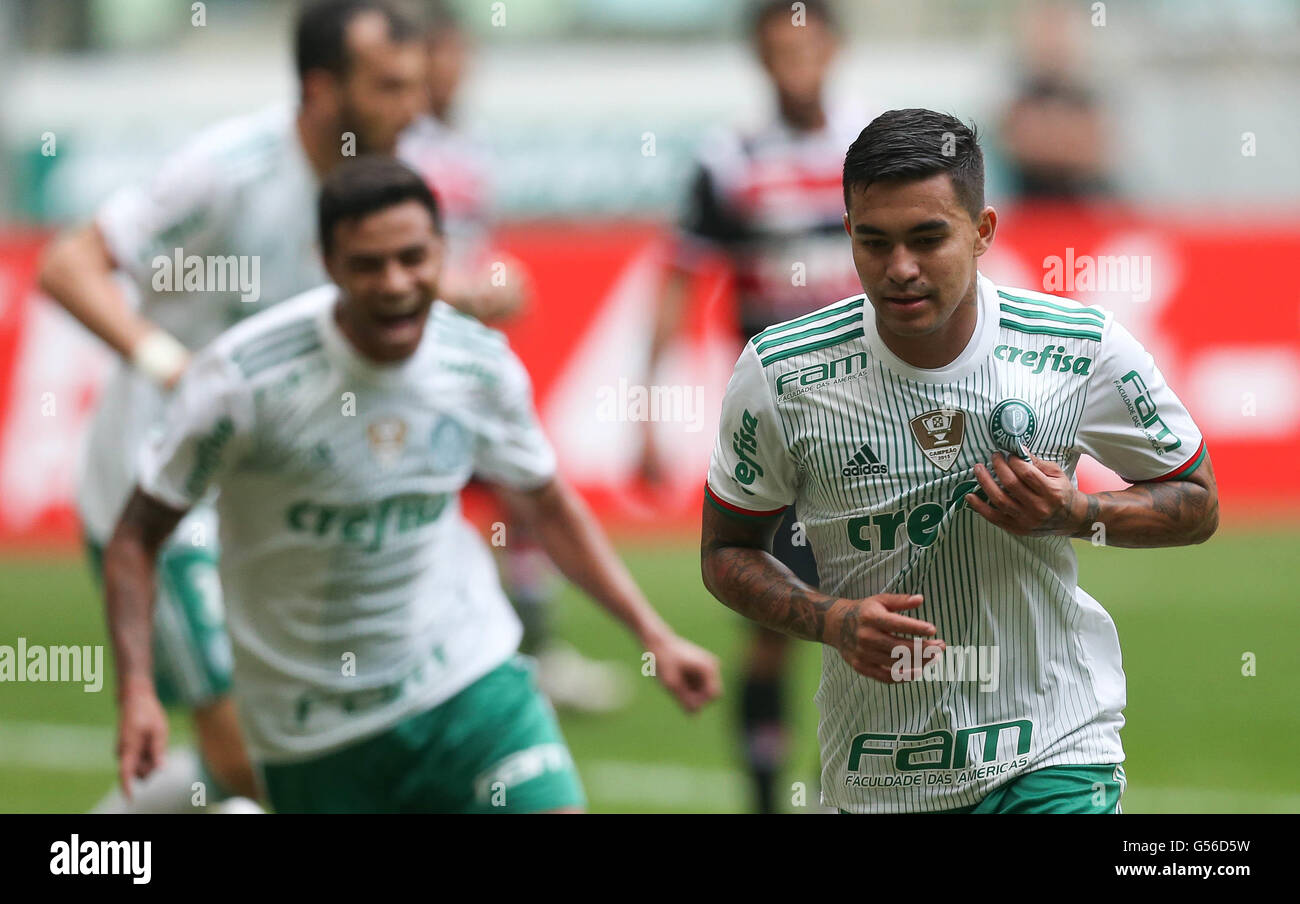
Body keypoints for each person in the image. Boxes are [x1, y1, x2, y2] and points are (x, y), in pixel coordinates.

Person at [101, 155, 722, 814]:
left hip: (470, 685)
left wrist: (653, 634)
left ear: (441, 254)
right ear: (326, 263)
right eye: (367, 265)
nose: (396, 283)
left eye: (413, 258)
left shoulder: (475, 365)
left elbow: (546, 503)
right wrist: (137, 689)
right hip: (312, 735)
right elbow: (136, 538)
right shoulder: (241, 382)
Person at [700, 108, 1218, 814]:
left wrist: (1081, 512)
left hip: (1053, 748)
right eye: (874, 242)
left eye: (927, 238)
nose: (901, 268)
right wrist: (831, 620)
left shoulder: (1077, 349)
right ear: (848, 234)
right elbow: (727, 550)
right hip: (875, 775)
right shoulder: (782, 375)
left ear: (983, 232)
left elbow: (1195, 498)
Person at [38, 0, 430, 812]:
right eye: (391, 87)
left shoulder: (367, 197)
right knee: (254, 764)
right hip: (161, 488)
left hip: (266, 498)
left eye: (416, 86)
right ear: (324, 91)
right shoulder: (228, 168)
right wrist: (172, 367)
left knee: (265, 761)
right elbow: (68, 267)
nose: (413, 107)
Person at [640, 0, 863, 812]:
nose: (794, 62)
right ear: (760, 58)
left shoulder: (872, 145)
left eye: (807, 44)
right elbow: (679, 278)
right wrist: (647, 407)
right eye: (779, 49)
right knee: (773, 622)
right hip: (784, 422)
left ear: (833, 48)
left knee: (908, 608)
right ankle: (767, 798)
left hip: (876, 410)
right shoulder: (728, 157)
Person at [398, 2, 629, 712]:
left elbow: (467, 247)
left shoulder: (468, 148)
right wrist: (461, 294)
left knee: (522, 502)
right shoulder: (391, 149)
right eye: (441, 55)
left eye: (462, 55)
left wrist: (491, 291)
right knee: (417, 504)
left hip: (468, 356)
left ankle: (533, 652)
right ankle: (423, 658)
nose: (455, 69)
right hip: (406, 361)